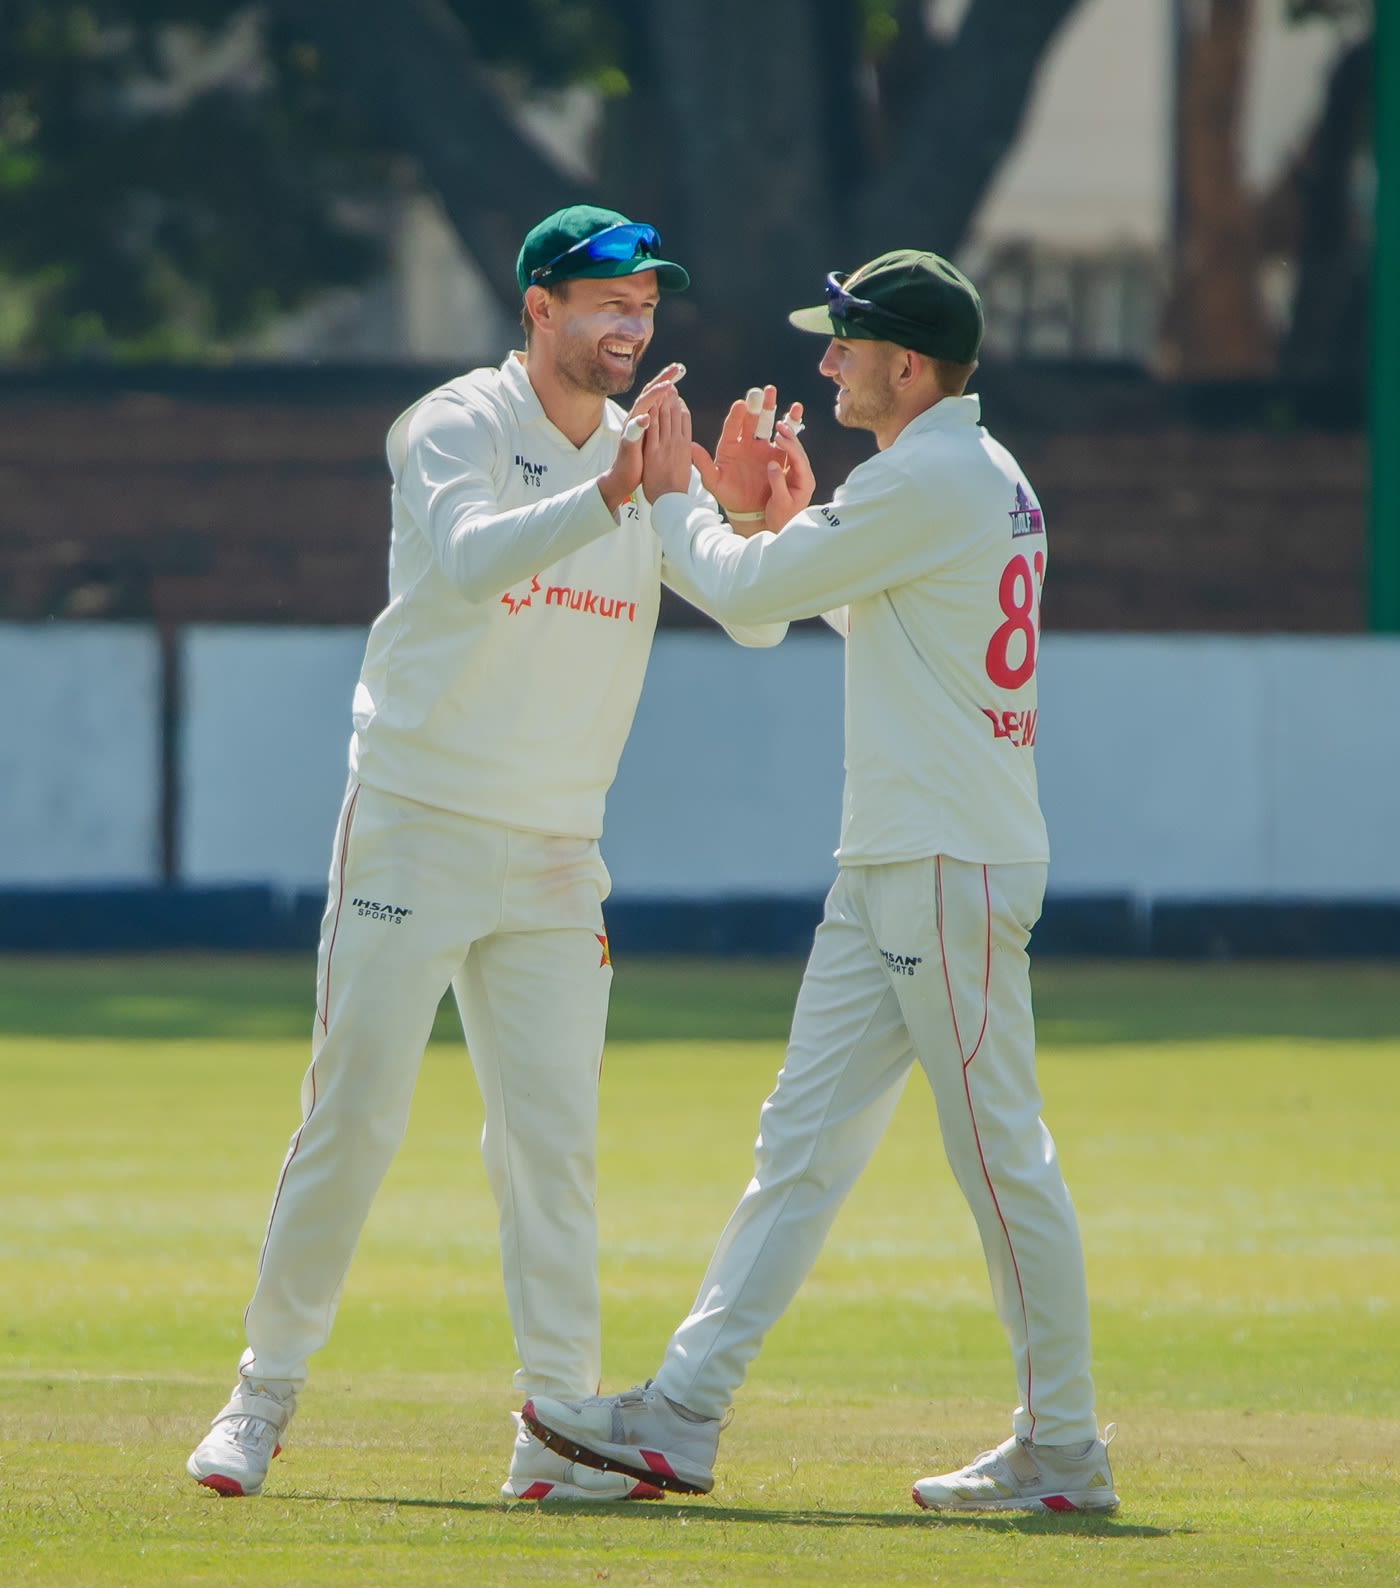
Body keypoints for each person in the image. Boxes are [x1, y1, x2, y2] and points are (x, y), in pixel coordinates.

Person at [186, 205, 790, 1503]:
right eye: (608, 301)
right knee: (354, 1114)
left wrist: (752, 518)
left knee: (549, 1143)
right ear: (539, 308)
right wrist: (615, 491)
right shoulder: (454, 422)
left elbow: (752, 623)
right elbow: (465, 561)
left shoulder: (645, 454)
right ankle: (262, 1392)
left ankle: (557, 1432)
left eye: (647, 305)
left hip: (560, 846)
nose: (631, 325)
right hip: (417, 818)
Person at [522, 249, 1119, 1514]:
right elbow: (869, 611)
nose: (826, 361)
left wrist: (675, 498)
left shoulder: (928, 477)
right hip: (899, 861)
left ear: (909, 366)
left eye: (847, 345)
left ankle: (1062, 1448)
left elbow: (748, 591)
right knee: (797, 1151)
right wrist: (773, 524)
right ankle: (681, 1415)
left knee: (999, 1159)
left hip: (943, 860)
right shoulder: (968, 471)